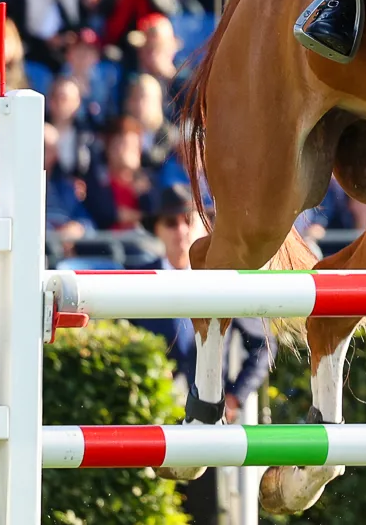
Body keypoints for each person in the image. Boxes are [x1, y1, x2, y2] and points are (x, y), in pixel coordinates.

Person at [131, 185, 274, 525]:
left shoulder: (222, 279)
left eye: (186, 219)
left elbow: (264, 346)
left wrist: (236, 395)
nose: (180, 230)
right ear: (157, 228)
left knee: (206, 514)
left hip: (206, 416)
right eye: (171, 222)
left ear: (199, 224)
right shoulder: (137, 279)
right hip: (153, 416)